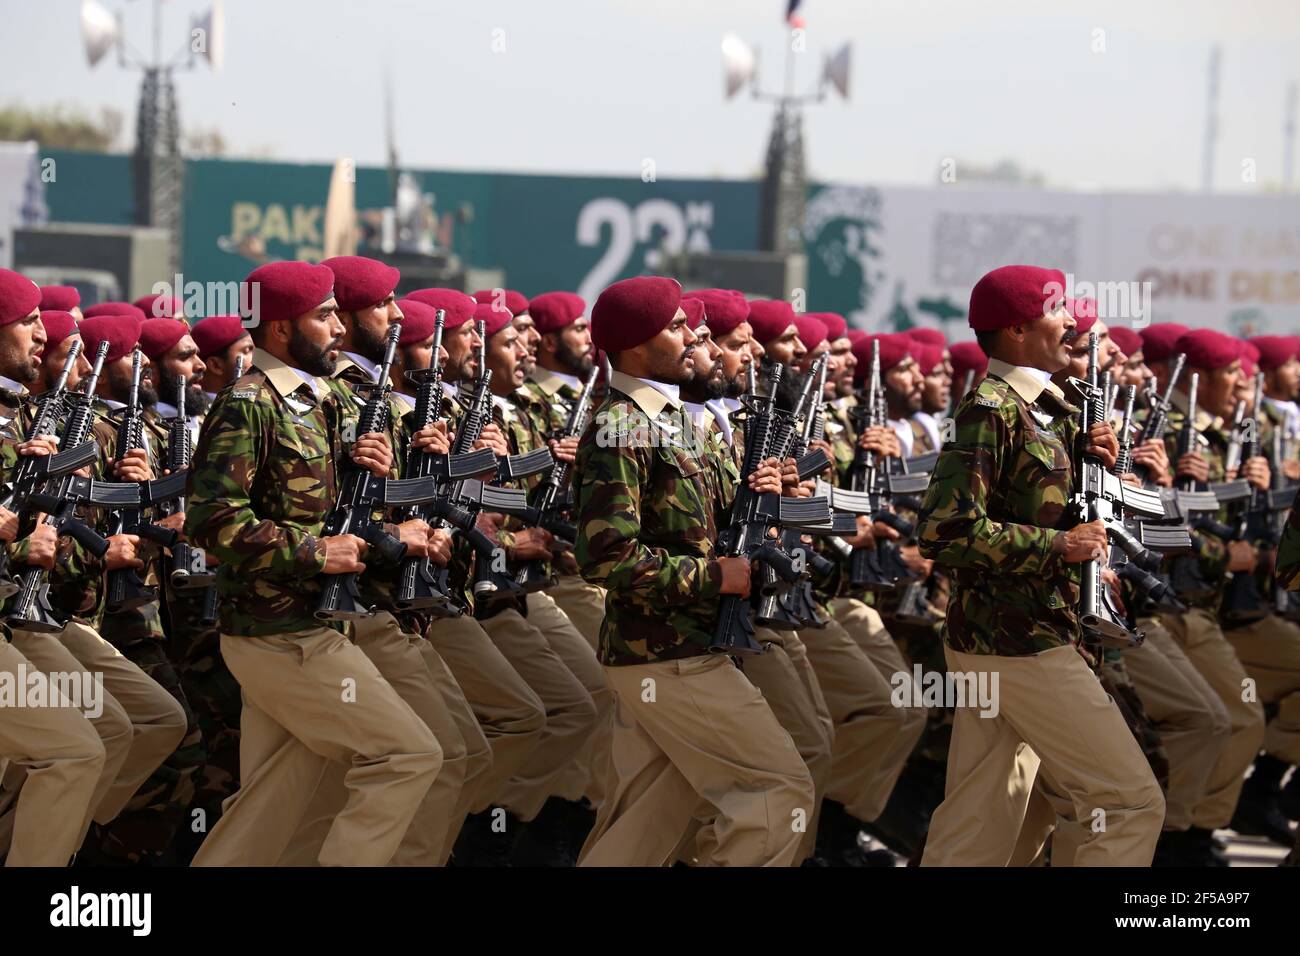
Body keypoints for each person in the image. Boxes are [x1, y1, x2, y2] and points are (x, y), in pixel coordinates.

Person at [186, 261, 443, 866]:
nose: (337, 328)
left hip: (311, 623)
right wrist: (314, 552)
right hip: (280, 631)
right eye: (323, 316)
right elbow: (212, 520)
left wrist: (380, 502)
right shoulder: (249, 403)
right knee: (408, 755)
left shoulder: (319, 402)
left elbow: (328, 515)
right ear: (279, 330)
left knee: (279, 803)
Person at [917, 264, 1164, 866]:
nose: (1070, 326)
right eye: (1057, 315)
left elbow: (1038, 502)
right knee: (1128, 804)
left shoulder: (1051, 408)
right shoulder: (992, 409)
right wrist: (1057, 547)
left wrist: (1095, 467)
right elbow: (944, 531)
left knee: (986, 826)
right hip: (1020, 640)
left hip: (1020, 634)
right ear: (1019, 329)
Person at [575, 275, 814, 867]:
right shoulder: (620, 425)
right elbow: (607, 557)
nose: (691, 339)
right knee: (778, 793)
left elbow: (713, 525)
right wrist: (717, 577)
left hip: (684, 646)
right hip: (668, 649)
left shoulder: (679, 419)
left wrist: (772, 498)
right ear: (634, 345)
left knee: (643, 830)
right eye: (676, 328)